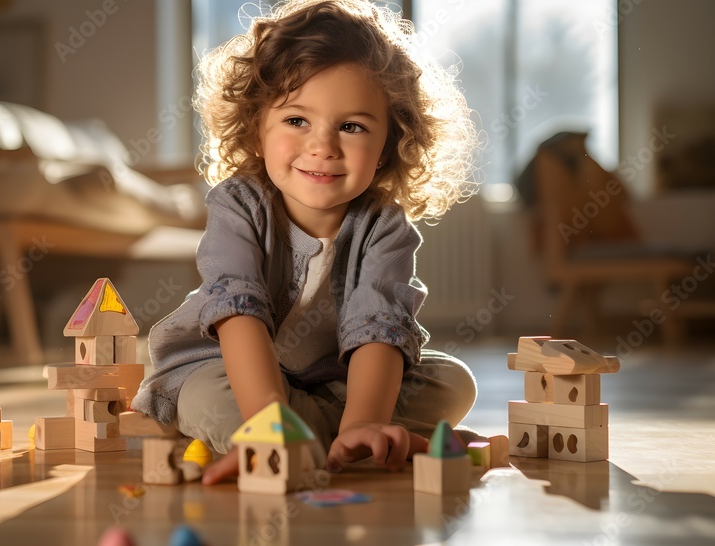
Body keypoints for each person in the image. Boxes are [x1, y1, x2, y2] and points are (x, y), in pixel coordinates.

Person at [130, 0, 480, 483]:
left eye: (352, 127)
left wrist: (364, 420)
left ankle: (337, 435)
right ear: (256, 130)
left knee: (453, 381)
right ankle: (291, 436)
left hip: (334, 381)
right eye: (297, 121)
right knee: (204, 392)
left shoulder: (386, 227)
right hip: (227, 370)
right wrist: (269, 421)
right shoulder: (238, 205)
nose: (323, 146)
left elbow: (378, 328)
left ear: (387, 147)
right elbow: (238, 315)